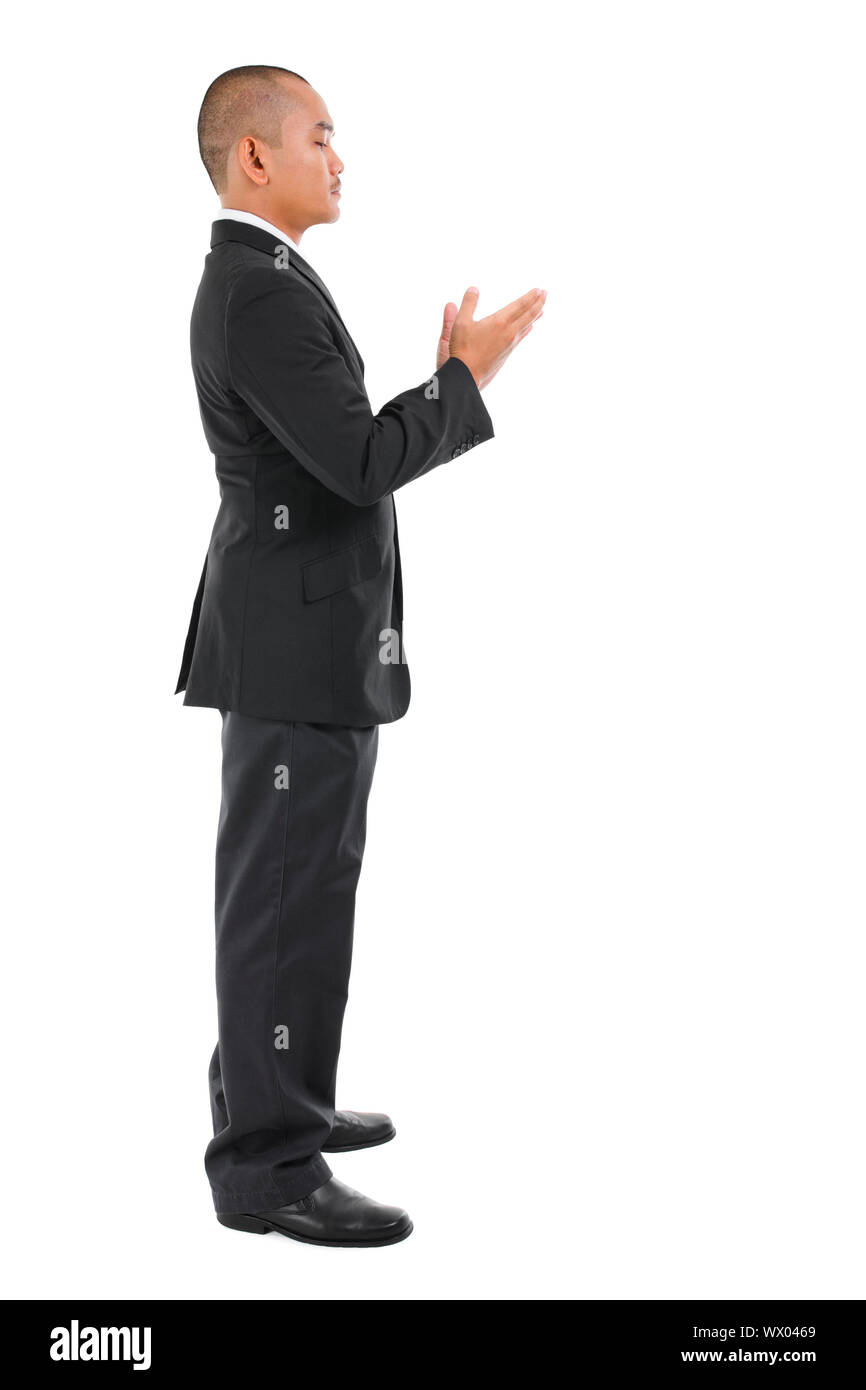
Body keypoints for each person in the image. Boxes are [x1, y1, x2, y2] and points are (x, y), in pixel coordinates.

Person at [175, 64, 546, 1248]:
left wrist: (435, 387)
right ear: (255, 159)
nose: (341, 158)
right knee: (282, 897)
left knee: (303, 884)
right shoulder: (258, 291)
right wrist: (461, 385)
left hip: (301, 640)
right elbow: (360, 464)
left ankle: (277, 1097)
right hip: (289, 646)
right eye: (322, 136)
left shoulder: (266, 279)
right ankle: (266, 1168)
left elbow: (331, 451)